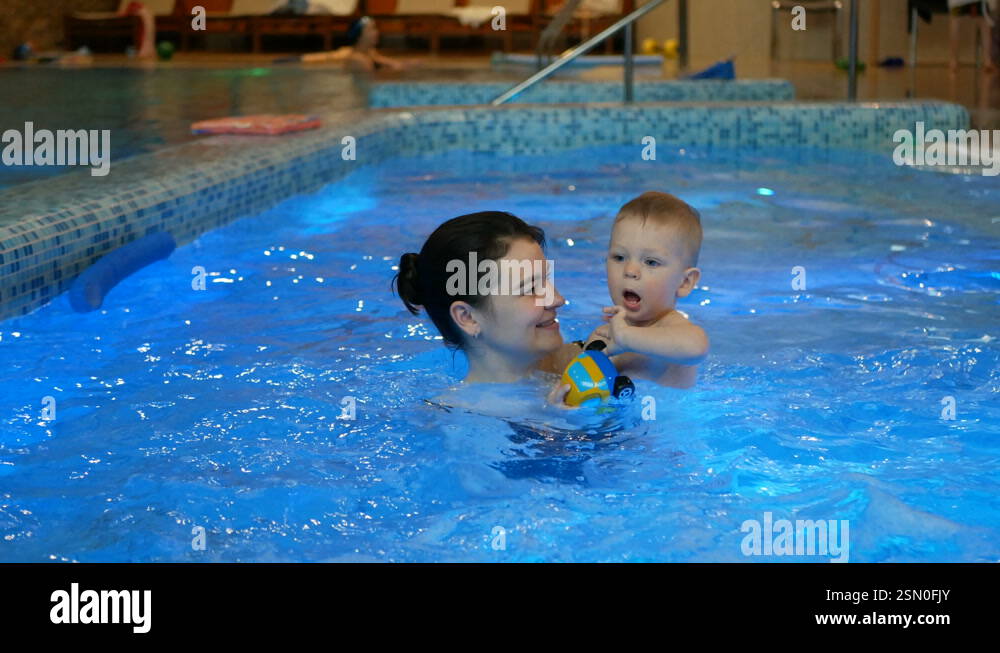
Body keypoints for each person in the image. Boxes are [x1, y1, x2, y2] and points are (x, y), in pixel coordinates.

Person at [393, 211, 583, 401]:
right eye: (530, 289)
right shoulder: (455, 420)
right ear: (468, 318)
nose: (557, 299)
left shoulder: (588, 357)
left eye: (547, 279)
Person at [583, 191, 709, 389]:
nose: (630, 271)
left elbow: (697, 347)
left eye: (651, 262)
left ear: (684, 282)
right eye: (619, 257)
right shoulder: (604, 336)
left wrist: (627, 338)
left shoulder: (674, 330)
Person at [293, 16, 405, 71]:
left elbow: (391, 63)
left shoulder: (369, 52)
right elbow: (371, 83)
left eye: (375, 28)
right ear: (360, 36)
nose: (376, 32)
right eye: (371, 29)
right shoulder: (358, 60)